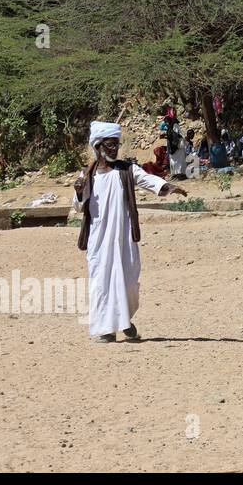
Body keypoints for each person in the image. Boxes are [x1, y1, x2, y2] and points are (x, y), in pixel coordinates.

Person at [72, 121, 188, 343]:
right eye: (109, 144)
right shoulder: (87, 175)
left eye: (116, 144)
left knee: (129, 284)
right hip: (99, 239)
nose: (114, 149)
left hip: (124, 237)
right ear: (98, 146)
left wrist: (169, 187)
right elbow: (78, 206)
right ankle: (106, 330)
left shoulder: (126, 170)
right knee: (101, 283)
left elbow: (147, 180)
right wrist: (78, 192)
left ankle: (125, 320)